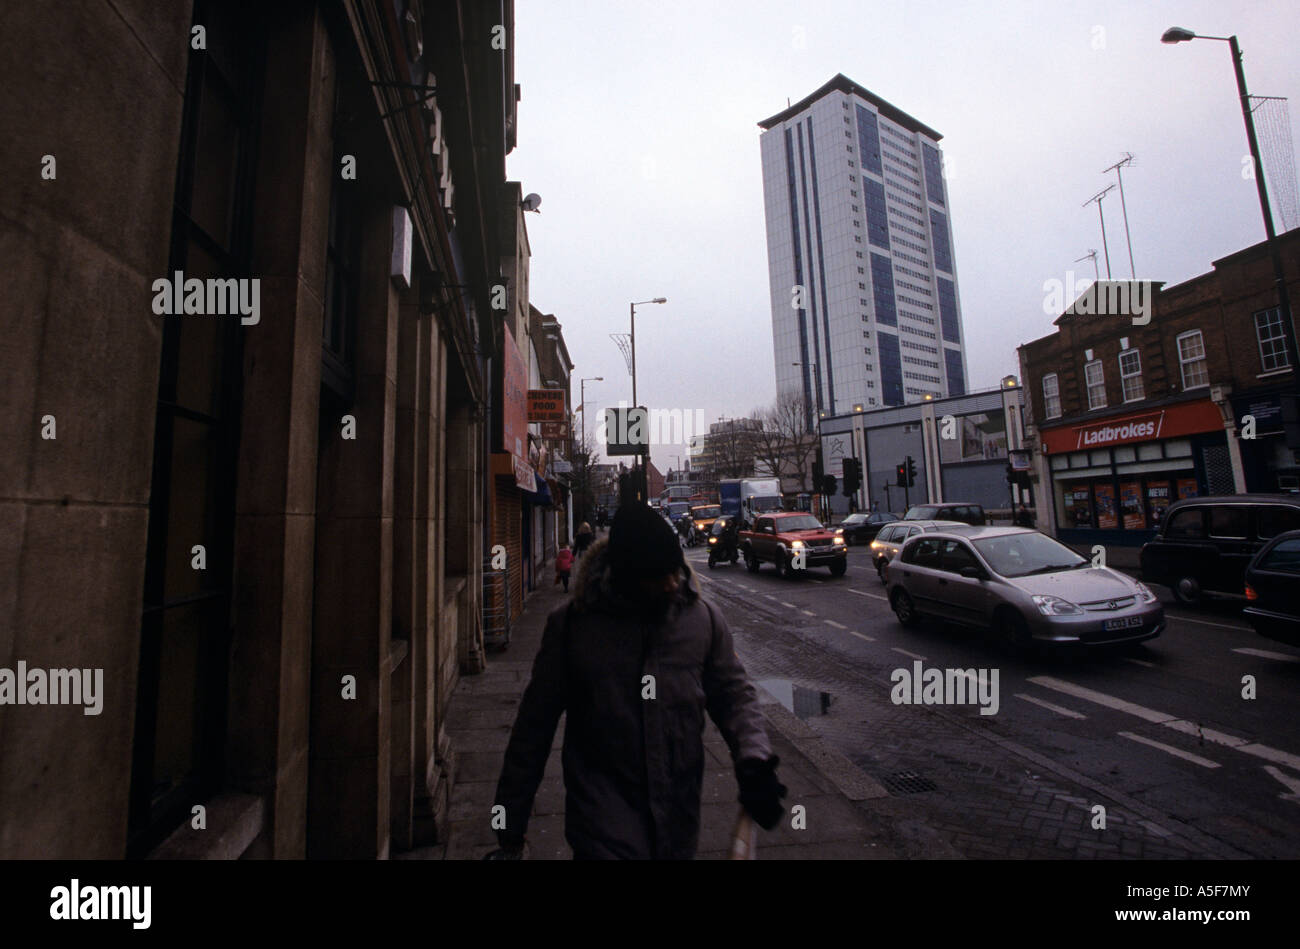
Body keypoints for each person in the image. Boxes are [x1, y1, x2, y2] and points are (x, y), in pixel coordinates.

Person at [486, 503, 786, 860]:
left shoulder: (702, 620)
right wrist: (508, 828)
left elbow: (734, 695)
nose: (673, 583)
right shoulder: (573, 627)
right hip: (602, 827)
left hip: (679, 822)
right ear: (627, 577)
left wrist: (754, 761)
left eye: (675, 572)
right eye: (659, 577)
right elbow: (532, 731)